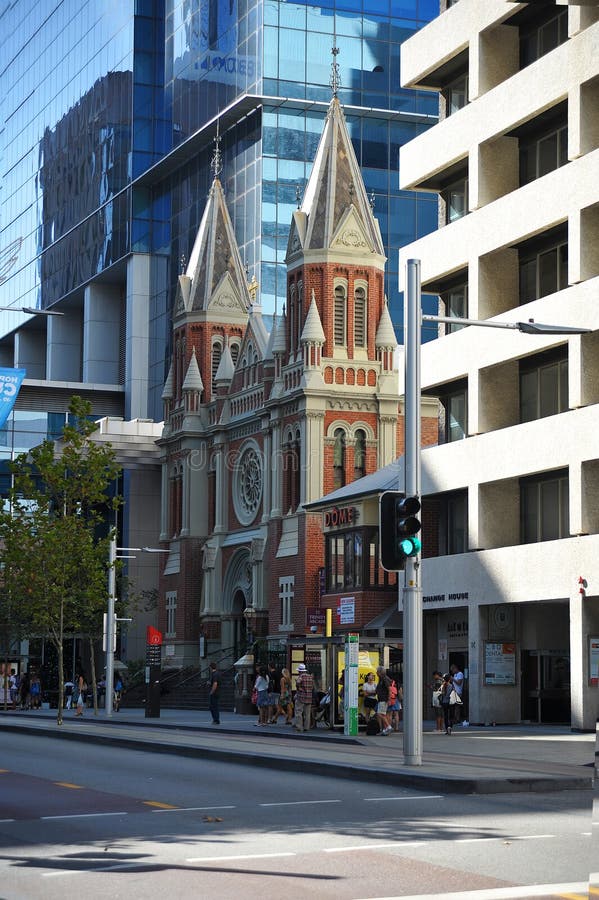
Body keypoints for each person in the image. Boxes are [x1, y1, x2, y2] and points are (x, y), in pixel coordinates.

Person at [294, 663, 313, 732]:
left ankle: (299, 727)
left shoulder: (301, 677)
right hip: (309, 697)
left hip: (301, 697)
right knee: (307, 713)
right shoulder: (310, 677)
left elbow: (298, 683)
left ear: (300, 671)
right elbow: (312, 686)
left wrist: (297, 685)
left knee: (298, 712)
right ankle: (306, 727)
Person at [375, 665, 393, 735]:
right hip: (381, 699)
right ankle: (385, 729)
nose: (376, 673)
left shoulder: (385, 679)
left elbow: (389, 690)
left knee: (380, 714)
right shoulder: (381, 679)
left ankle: (388, 727)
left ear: (380, 672)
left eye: (377, 671)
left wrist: (389, 699)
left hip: (384, 699)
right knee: (383, 714)